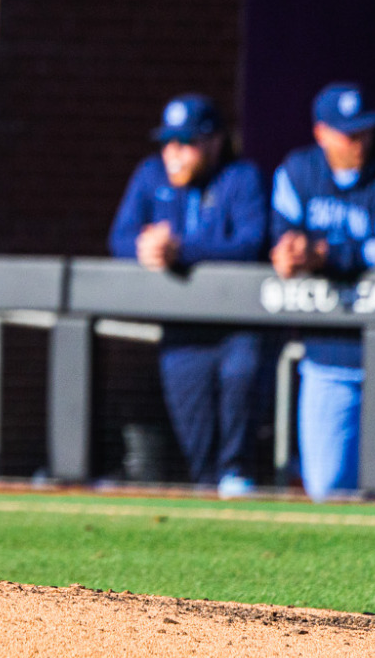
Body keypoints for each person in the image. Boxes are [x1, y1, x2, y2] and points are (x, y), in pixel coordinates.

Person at [270, 83, 375, 500]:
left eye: (365, 131)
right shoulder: (298, 170)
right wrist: (289, 251)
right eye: (349, 133)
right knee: (327, 487)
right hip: (330, 352)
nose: (360, 142)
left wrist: (326, 254)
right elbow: (277, 233)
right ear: (322, 132)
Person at [108, 95, 269, 495]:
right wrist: (146, 249)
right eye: (168, 143)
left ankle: (237, 478)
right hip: (182, 327)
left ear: (214, 142)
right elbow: (120, 238)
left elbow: (251, 244)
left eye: (187, 143)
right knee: (195, 431)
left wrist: (182, 250)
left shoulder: (241, 177)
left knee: (239, 387)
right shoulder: (150, 175)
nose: (174, 154)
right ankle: (206, 489)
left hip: (236, 325)